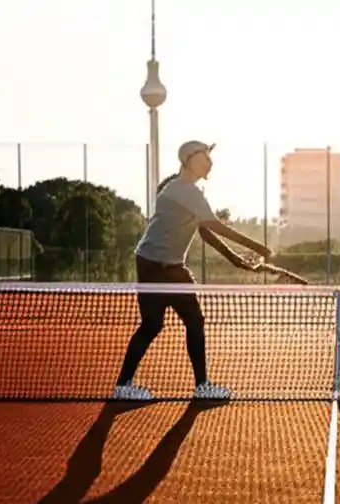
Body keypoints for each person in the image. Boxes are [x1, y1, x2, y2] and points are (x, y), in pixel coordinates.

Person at [112, 140, 273, 401]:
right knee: (153, 326)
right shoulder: (184, 190)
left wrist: (236, 259)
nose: (209, 162)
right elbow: (214, 225)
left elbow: (205, 232)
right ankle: (124, 386)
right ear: (188, 159)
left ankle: (201, 386)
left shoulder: (188, 191)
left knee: (192, 322)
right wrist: (257, 247)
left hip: (171, 266)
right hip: (154, 265)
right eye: (204, 157)